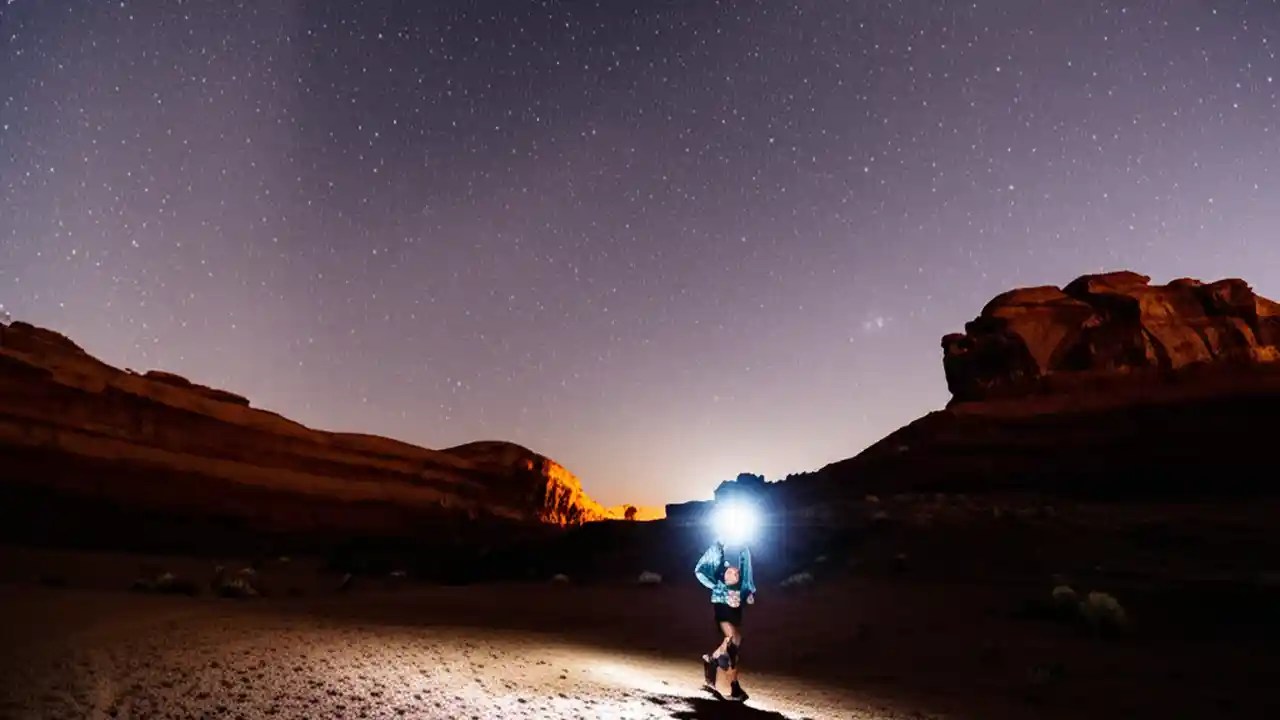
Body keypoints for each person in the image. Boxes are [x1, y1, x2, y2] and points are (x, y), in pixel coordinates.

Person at [694, 539, 755, 701]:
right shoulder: (718, 548)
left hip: (735, 604)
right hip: (721, 604)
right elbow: (700, 570)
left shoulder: (742, 548)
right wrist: (716, 585)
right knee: (733, 640)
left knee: (734, 641)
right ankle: (734, 685)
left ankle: (712, 660)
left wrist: (748, 592)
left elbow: (747, 571)